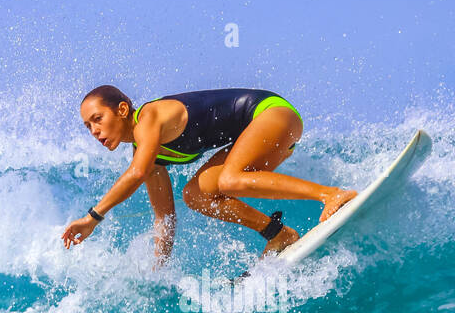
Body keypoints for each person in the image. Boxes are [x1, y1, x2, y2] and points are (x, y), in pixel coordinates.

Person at [62, 86, 356, 261]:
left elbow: (135, 173)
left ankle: (332, 195)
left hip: (272, 113)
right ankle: (278, 234)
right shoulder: (150, 156)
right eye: (88, 126)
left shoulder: (148, 118)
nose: (94, 131)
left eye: (97, 119)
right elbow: (164, 215)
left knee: (229, 180)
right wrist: (158, 269)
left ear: (123, 109)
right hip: (258, 135)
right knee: (196, 195)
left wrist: (92, 218)